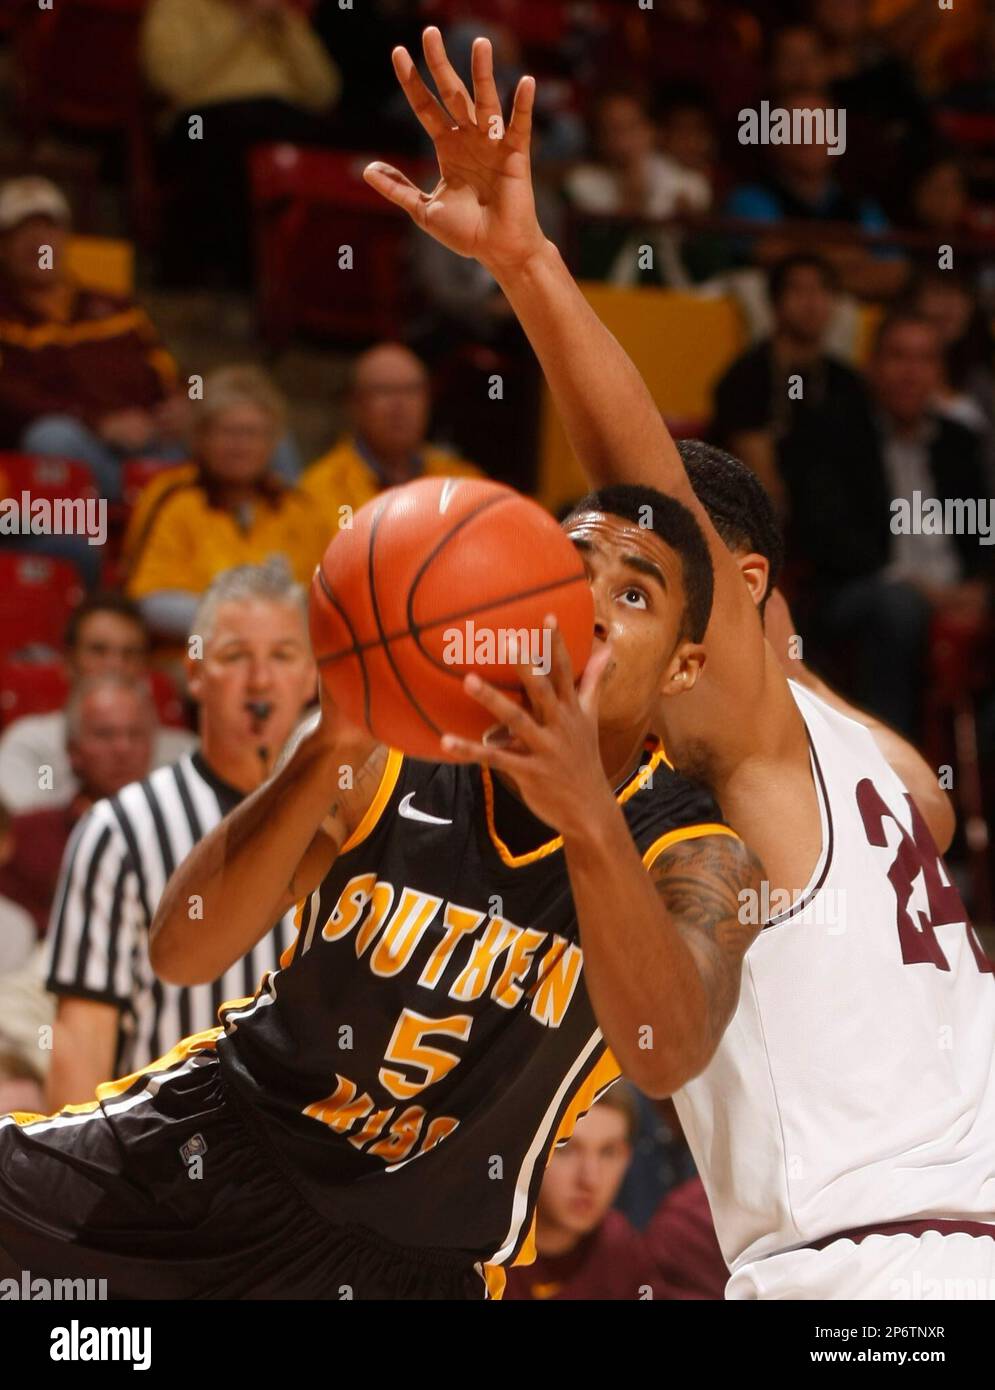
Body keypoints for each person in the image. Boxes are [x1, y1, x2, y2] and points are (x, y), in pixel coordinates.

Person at [365, 28, 995, 1298]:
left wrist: (529, 262)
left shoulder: (752, 737)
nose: (587, 613)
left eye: (632, 590)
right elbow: (915, 795)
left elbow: (656, 503)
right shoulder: (873, 772)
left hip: (864, 1276)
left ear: (721, 608)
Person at [0, 377, 764, 1292]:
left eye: (634, 596)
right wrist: (329, 741)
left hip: (422, 1264)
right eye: (571, 574)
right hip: (208, 1156)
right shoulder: (393, 750)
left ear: (685, 666)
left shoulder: (697, 849)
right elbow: (182, 950)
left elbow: (665, 1051)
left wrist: (586, 818)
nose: (591, 608)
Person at [42, 559, 316, 1112]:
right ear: (194, 676)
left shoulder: (359, 827)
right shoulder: (120, 829)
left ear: (312, 679)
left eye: (283, 656)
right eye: (235, 657)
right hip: (165, 1166)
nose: (259, 680)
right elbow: (82, 1038)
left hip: (309, 1169)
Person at [0, 177, 189, 499]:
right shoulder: (6, 317)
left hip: (153, 441)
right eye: (23, 232)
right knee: (51, 438)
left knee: (243, 416)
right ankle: (160, 500)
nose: (38, 243)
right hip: (84, 452)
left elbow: (173, 370)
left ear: (65, 238)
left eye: (48, 229)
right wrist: (98, 422)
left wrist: (188, 401)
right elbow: (10, 398)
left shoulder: (117, 306)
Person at [141, 0, 341, 287]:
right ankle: (227, 270)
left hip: (281, 116)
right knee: (228, 138)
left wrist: (287, 31)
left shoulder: (281, 19)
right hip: (202, 116)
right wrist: (242, 24)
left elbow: (326, 93)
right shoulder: (176, 7)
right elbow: (169, 79)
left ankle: (313, 284)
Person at [123, 366, 326, 641]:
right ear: (200, 437)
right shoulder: (172, 498)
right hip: (193, 659)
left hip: (284, 663)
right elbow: (148, 601)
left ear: (273, 443)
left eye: (252, 433)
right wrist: (242, 621)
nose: (240, 445)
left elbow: (327, 602)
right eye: (227, 432)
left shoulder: (301, 507)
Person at [0, 592, 195, 813]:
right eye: (98, 650)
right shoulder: (31, 745)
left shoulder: (184, 754)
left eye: (130, 653)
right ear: (68, 662)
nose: (115, 665)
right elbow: (33, 835)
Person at [0, 675, 156, 936]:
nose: (123, 748)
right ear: (72, 749)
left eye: (135, 734)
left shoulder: (188, 835)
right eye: (105, 734)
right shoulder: (24, 836)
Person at [723, 89, 908, 301]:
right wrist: (853, 257)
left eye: (818, 127)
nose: (807, 138)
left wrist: (807, 261)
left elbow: (895, 271)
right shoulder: (748, 200)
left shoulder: (861, 206)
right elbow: (768, 253)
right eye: (795, 127)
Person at [503, 1084, 666, 1300]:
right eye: (566, 1149)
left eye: (608, 1152)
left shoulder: (623, 1251)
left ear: (627, 1158)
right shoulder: (479, 1255)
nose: (590, 1179)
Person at [300, 343, 481, 535]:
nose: (399, 405)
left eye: (411, 390)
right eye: (384, 391)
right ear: (355, 404)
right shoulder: (317, 490)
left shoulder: (463, 479)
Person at [562, 88, 711, 288]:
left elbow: (698, 206)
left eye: (630, 127)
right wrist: (634, 187)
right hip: (607, 292)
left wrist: (687, 214)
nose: (622, 139)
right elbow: (598, 250)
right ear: (598, 138)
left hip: (674, 291)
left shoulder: (681, 179)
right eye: (612, 129)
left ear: (650, 130)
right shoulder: (582, 182)